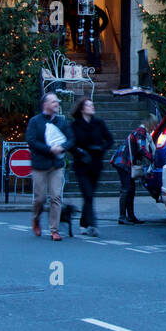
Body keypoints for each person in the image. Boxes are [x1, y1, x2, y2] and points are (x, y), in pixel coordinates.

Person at [26, 92, 73, 240]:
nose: (56, 104)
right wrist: (49, 149)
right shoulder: (35, 121)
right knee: (40, 199)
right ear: (45, 104)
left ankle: (54, 230)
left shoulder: (62, 122)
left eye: (57, 102)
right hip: (40, 164)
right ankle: (36, 218)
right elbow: (31, 141)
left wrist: (63, 147)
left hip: (56, 165)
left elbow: (71, 138)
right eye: (53, 102)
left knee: (56, 197)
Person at [70, 97, 113, 237]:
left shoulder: (99, 123)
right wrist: (79, 152)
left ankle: (83, 223)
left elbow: (110, 140)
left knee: (89, 196)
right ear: (82, 109)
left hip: (95, 164)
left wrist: (101, 148)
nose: (92, 107)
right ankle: (93, 224)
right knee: (88, 194)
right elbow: (71, 144)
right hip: (81, 165)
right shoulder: (75, 125)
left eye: (92, 104)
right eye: (88, 105)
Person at [113, 114, 156, 225]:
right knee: (127, 189)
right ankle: (123, 217)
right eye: (154, 124)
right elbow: (141, 149)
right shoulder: (141, 132)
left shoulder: (140, 131)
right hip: (124, 162)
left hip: (122, 161)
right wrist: (153, 158)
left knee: (130, 189)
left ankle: (130, 216)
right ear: (150, 124)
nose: (155, 127)